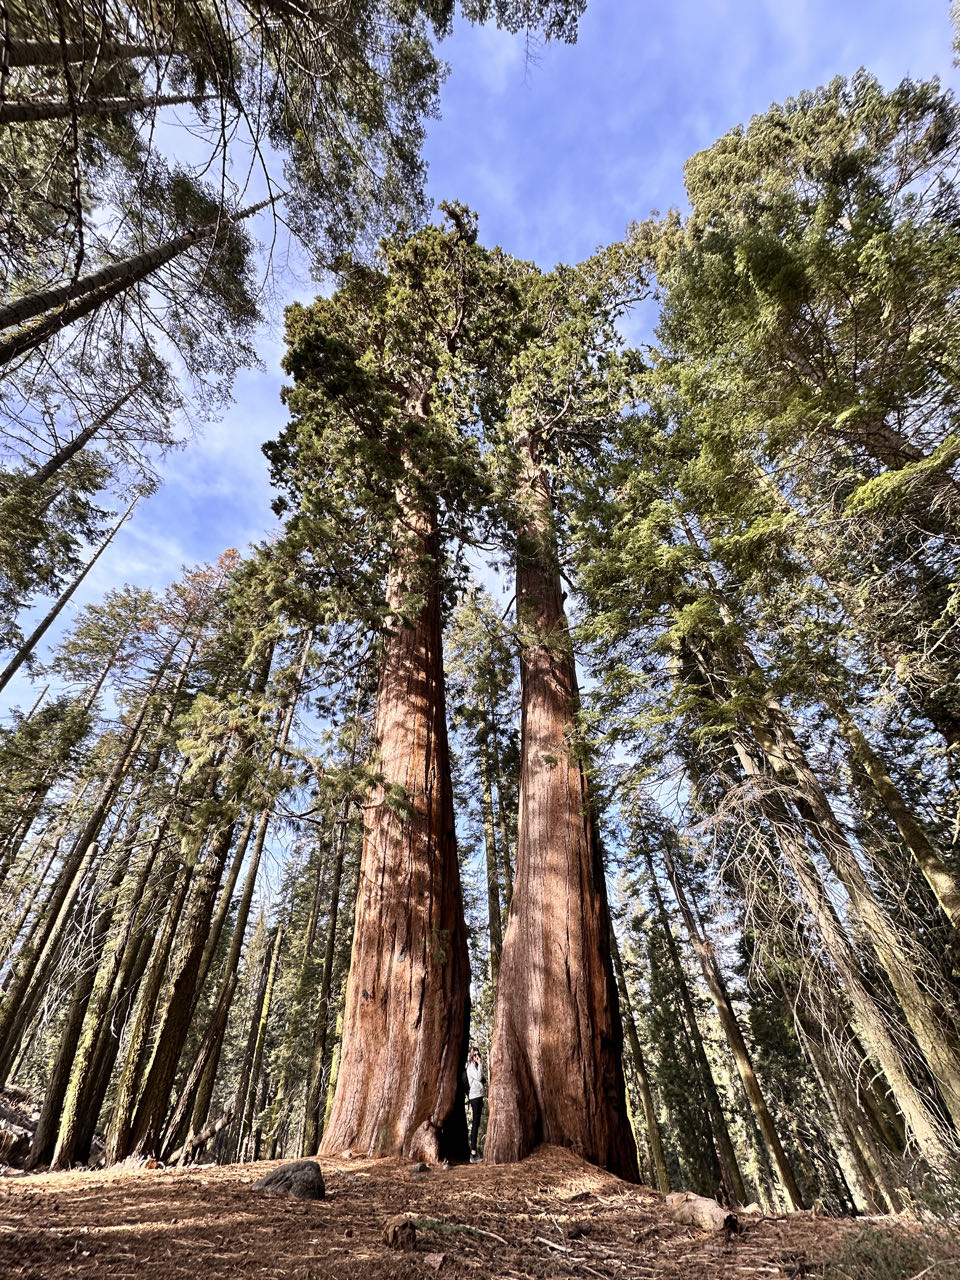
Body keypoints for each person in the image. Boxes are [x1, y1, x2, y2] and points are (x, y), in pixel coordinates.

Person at [464, 1046, 485, 1162]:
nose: (477, 1057)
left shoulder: (475, 1065)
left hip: (479, 1096)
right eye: (475, 1055)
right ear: (472, 1056)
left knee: (477, 1124)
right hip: (475, 1097)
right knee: (475, 1124)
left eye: (478, 1055)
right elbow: (478, 1076)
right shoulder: (471, 1066)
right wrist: (480, 1064)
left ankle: (474, 1153)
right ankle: (473, 1154)